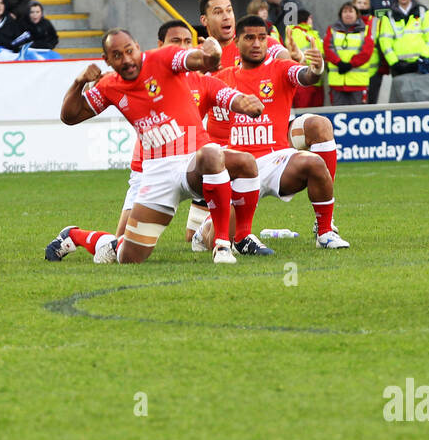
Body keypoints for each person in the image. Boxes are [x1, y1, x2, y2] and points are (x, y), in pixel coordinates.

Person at [46, 28, 264, 266]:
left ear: (138, 47)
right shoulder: (109, 86)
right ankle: (74, 235)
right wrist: (79, 82)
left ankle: (226, 243)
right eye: (118, 55)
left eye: (130, 51)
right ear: (107, 60)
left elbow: (204, 61)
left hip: (192, 162)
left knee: (236, 160)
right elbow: (69, 116)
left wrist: (212, 52)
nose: (127, 59)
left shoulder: (164, 58)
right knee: (128, 257)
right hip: (156, 172)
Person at [195, 15, 347, 250]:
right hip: (240, 166)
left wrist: (316, 68)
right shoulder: (222, 79)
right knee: (215, 239)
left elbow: (305, 76)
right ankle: (204, 230)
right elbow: (193, 113)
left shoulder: (280, 69)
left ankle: (325, 231)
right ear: (236, 42)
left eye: (262, 38)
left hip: (276, 160)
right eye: (249, 38)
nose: (256, 43)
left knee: (315, 163)